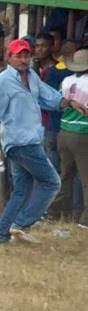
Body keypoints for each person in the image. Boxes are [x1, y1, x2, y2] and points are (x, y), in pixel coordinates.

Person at [0, 39, 82, 245]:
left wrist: (69, 102)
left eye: (26, 55)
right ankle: (21, 224)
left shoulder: (32, 76)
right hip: (19, 142)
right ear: (9, 57)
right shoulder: (2, 81)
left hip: (31, 140)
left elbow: (49, 97)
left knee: (21, 191)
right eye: (19, 55)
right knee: (52, 182)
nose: (24, 59)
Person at [51, 49, 88, 228]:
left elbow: (60, 102)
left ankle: (53, 211)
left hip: (63, 132)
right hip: (83, 134)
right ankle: (86, 219)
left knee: (65, 175)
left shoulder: (66, 81)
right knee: (86, 178)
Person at [34, 31, 72, 170]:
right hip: (40, 123)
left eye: (44, 46)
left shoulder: (57, 70)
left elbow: (50, 98)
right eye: (37, 46)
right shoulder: (34, 68)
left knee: (52, 165)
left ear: (52, 48)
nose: (39, 49)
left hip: (51, 123)